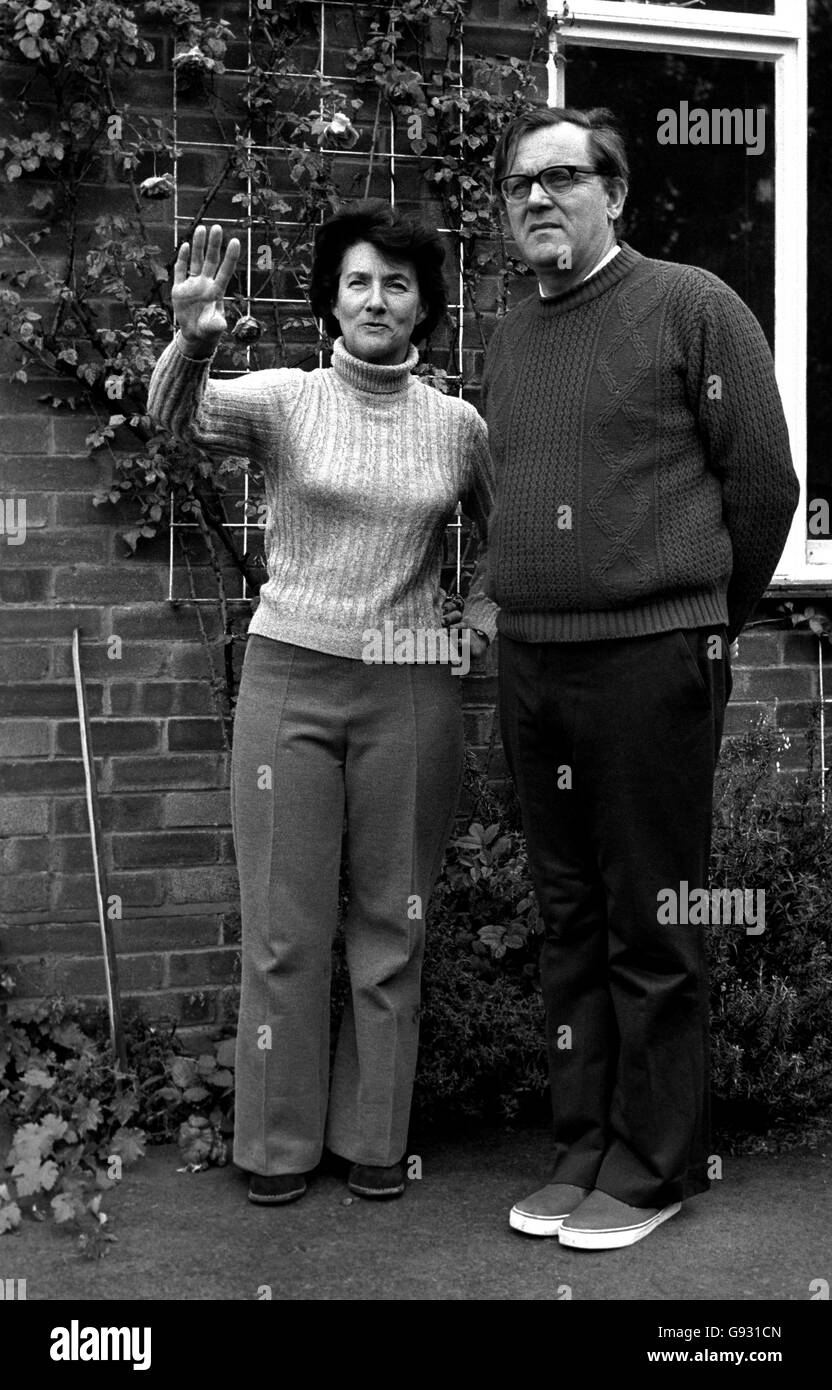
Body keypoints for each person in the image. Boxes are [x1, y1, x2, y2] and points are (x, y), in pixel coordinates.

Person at [481, 106, 799, 1249]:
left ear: (613, 190)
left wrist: (707, 623)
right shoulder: (512, 332)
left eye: (562, 176)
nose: (537, 198)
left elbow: (763, 482)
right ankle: (584, 1144)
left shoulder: (692, 305)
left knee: (654, 915)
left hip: (653, 657)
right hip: (534, 660)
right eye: (518, 183)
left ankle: (657, 1164)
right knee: (567, 915)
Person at [147, 201, 496, 1205]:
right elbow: (179, 418)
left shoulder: (458, 426)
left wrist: (482, 606)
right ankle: (275, 1145)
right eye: (357, 281)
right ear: (330, 300)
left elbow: (509, 534)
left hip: (411, 690)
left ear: (423, 304)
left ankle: (375, 1140)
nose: (376, 298)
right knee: (286, 928)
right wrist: (189, 338)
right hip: (290, 679)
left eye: (396, 282)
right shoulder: (285, 400)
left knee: (394, 925)